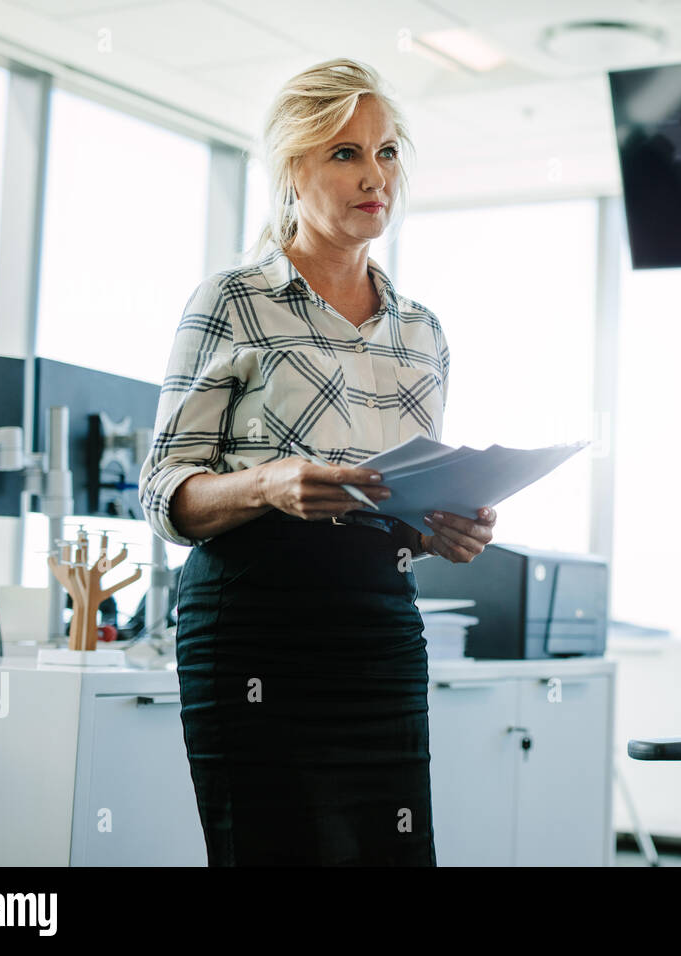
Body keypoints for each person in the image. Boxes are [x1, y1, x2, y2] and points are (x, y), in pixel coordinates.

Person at [137, 58, 495, 866]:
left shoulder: (422, 332)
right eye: (346, 154)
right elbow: (162, 492)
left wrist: (446, 528)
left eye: (388, 152)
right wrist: (268, 483)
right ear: (292, 169)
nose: (376, 176)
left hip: (380, 626)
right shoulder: (231, 301)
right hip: (258, 628)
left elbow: (403, 493)